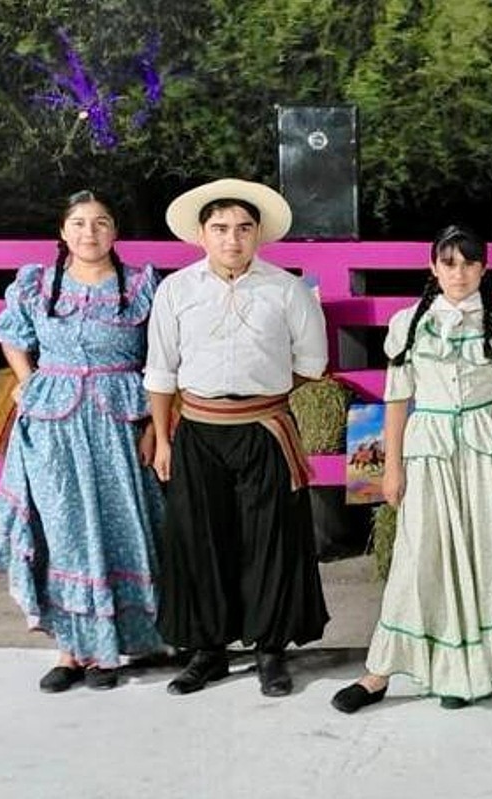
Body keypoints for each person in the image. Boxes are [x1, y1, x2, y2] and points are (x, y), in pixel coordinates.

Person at [330, 227, 492, 714]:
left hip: (487, 449)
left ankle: (476, 669)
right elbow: (397, 400)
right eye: (449, 263)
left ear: (483, 269)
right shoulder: (409, 323)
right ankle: (379, 672)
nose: (459, 273)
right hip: (428, 451)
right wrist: (391, 469)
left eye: (469, 264)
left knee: (489, 551)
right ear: (433, 268)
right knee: (421, 553)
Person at [145, 179, 329, 698]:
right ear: (202, 234)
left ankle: (271, 651)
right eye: (220, 228)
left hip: (264, 431)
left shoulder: (286, 289)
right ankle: (209, 652)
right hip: (196, 432)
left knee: (269, 541)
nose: (232, 239)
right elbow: (160, 372)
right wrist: (162, 439)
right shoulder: (176, 290)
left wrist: (256, 399)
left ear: (258, 235)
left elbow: (310, 365)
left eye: (243, 228)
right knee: (200, 539)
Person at [0, 191, 163, 692]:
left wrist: (154, 424)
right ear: (63, 232)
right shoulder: (37, 284)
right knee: (62, 530)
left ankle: (110, 651)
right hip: (53, 424)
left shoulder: (141, 285)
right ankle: (69, 651)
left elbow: (164, 356)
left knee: (121, 527)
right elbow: (10, 334)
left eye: (101, 223)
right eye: (80, 223)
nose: (90, 232)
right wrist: (25, 378)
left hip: (118, 422)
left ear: (115, 232)